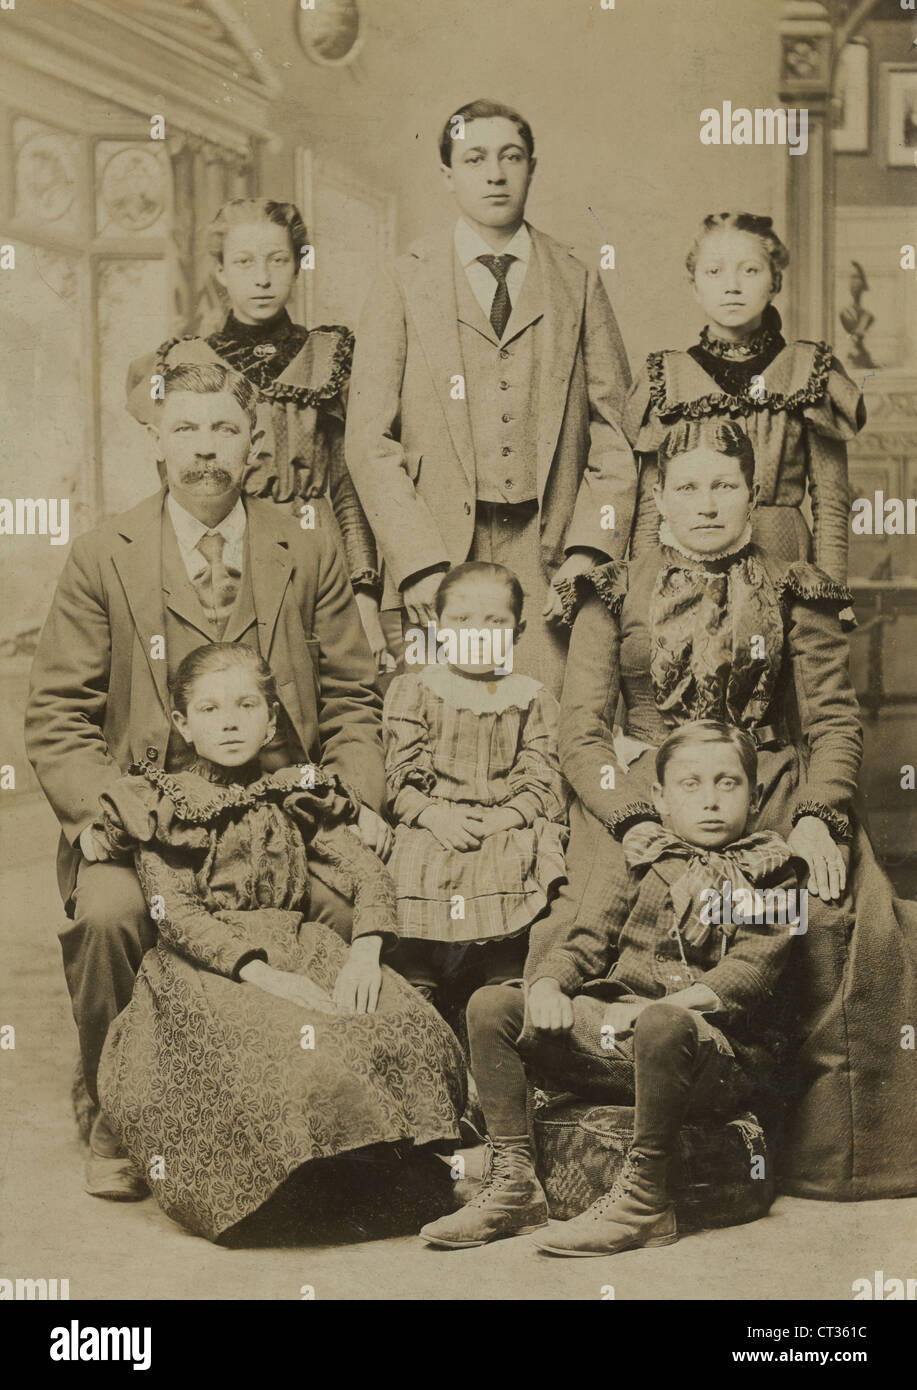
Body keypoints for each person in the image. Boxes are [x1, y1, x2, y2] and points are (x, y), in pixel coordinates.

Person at [528, 416, 917, 1202]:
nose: (706, 504)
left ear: (751, 494)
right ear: (658, 498)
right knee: (585, 921)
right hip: (643, 793)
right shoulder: (610, 589)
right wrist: (636, 822)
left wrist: (817, 813)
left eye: (724, 485)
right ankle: (601, 1136)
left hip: (765, 785)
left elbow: (835, 722)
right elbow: (579, 736)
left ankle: (813, 1155)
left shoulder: (793, 585)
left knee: (835, 917)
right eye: (687, 487)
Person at [25, 361, 388, 1199]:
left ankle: (331, 1117)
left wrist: (353, 798)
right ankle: (114, 1109)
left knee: (346, 912)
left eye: (223, 429)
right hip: (142, 819)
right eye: (184, 429)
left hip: (276, 819)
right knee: (114, 917)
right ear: (155, 436)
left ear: (254, 440)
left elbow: (350, 695)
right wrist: (97, 807)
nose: (204, 450)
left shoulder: (305, 545)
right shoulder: (101, 554)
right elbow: (56, 715)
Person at [87, 643, 466, 1241]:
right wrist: (261, 972)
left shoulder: (293, 791)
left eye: (246, 705)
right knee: (282, 1048)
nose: (231, 721)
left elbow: (366, 871)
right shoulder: (165, 802)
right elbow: (173, 911)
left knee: (395, 1017)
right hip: (208, 965)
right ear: (183, 725)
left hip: (300, 941)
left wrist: (365, 952)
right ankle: (281, 1191)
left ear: (270, 719)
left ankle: (365, 1170)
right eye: (210, 710)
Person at [419, 721, 803, 1253]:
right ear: (660, 798)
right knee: (494, 1006)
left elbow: (751, 973)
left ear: (755, 796)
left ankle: (645, 1203)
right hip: (618, 1040)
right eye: (691, 785)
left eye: (728, 783)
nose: (711, 801)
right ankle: (513, 1184)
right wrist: (551, 985)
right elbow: (588, 939)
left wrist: (661, 1007)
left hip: (710, 1055)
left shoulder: (776, 875)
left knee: (665, 1023)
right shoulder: (641, 856)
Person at [345, 98, 636, 697]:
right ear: (448, 174)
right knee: (433, 727)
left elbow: (615, 432)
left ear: (533, 167)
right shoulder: (403, 278)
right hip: (439, 554)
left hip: (548, 553)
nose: (495, 173)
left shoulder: (575, 278)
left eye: (511, 157)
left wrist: (589, 549)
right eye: (474, 158)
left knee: (552, 730)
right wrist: (418, 562)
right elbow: (368, 440)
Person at [125, 198, 390, 672]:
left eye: (278, 260)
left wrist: (365, 594)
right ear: (221, 271)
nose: (263, 278)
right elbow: (172, 491)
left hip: (316, 550)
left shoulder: (329, 354)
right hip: (220, 551)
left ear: (297, 265)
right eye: (245, 262)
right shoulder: (183, 361)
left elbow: (351, 491)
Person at [624, 211, 865, 584]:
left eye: (750, 270)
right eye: (715, 272)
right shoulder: (668, 377)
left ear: (775, 282)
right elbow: (650, 508)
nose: (732, 286)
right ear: (695, 285)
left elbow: (831, 502)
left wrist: (831, 594)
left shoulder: (807, 370)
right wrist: (642, 589)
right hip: (689, 568)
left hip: (783, 563)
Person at [383, 561, 568, 1014]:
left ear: (518, 631)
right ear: (438, 628)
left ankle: (502, 991)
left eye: (495, 621)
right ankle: (419, 991)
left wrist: (504, 817)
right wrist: (433, 815)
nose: (476, 633)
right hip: (435, 820)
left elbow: (541, 772)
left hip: (502, 820)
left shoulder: (532, 697)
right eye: (461, 620)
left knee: (517, 856)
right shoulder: (416, 690)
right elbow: (401, 773)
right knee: (413, 858)